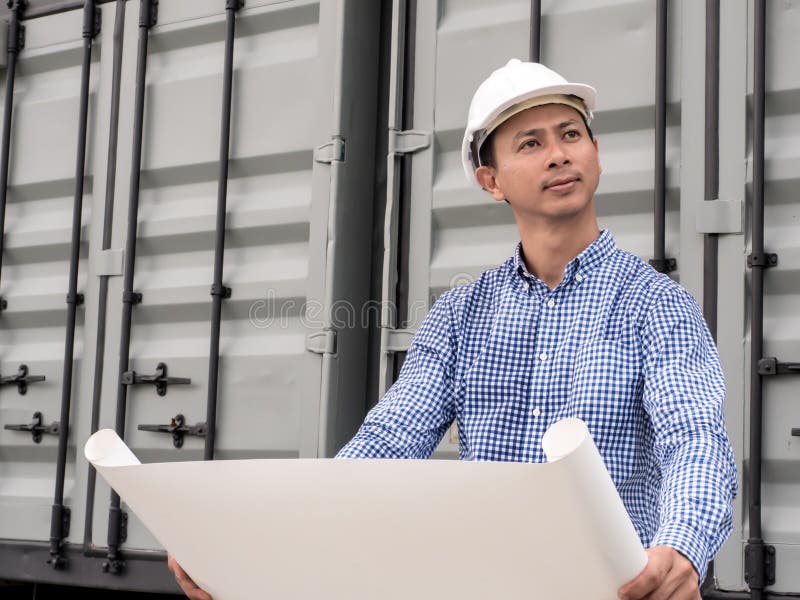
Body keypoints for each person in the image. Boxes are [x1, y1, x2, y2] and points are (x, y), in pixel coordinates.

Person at [170, 59, 738, 600]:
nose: (559, 155)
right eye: (531, 144)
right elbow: (388, 443)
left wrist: (681, 548)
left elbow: (694, 440)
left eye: (571, 134)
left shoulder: (657, 306)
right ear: (491, 181)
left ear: (596, 153)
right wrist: (247, 538)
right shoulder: (462, 315)